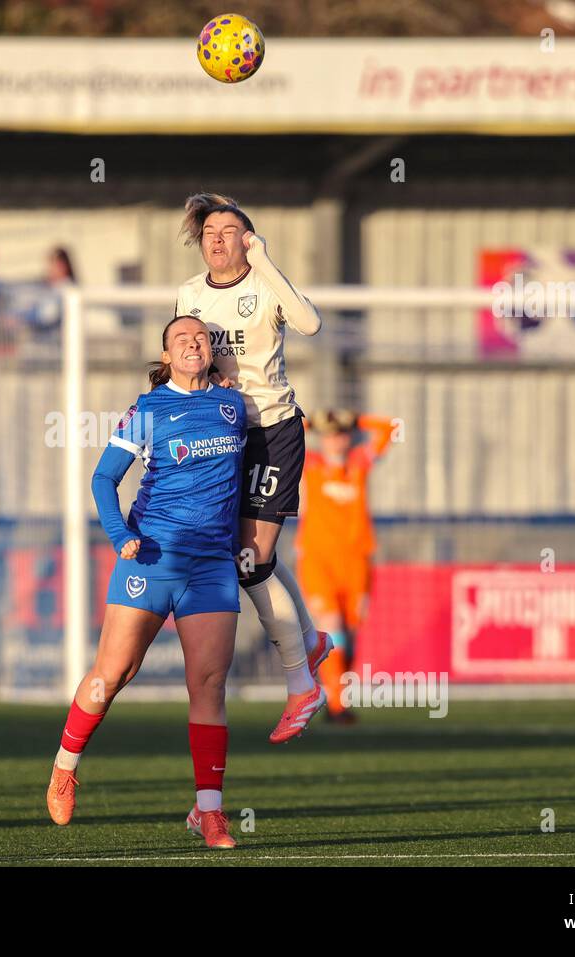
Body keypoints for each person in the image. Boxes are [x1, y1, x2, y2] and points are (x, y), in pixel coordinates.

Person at [45, 315, 248, 849]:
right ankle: (65, 767)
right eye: (181, 337)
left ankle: (210, 811)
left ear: (212, 349)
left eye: (201, 337)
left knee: (207, 686)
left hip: (212, 566)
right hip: (152, 556)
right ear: (165, 353)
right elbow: (103, 477)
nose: (192, 343)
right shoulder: (149, 409)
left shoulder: (234, 403)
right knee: (112, 674)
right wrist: (118, 535)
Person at [175, 192, 330, 744]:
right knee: (247, 556)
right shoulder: (190, 293)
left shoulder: (265, 284)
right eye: (210, 231)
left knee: (249, 559)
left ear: (248, 238)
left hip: (273, 431)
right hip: (222, 434)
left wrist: (263, 260)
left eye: (230, 230)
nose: (218, 239)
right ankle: (309, 642)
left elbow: (311, 324)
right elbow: (187, 356)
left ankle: (301, 684)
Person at [295, 409, 396, 724]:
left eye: (341, 433)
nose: (335, 440)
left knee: (349, 637)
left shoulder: (359, 464)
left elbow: (389, 429)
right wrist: (315, 420)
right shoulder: (312, 464)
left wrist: (355, 419)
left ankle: (336, 692)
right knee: (332, 624)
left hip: (356, 562)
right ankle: (337, 705)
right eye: (330, 434)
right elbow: (287, 432)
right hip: (319, 559)